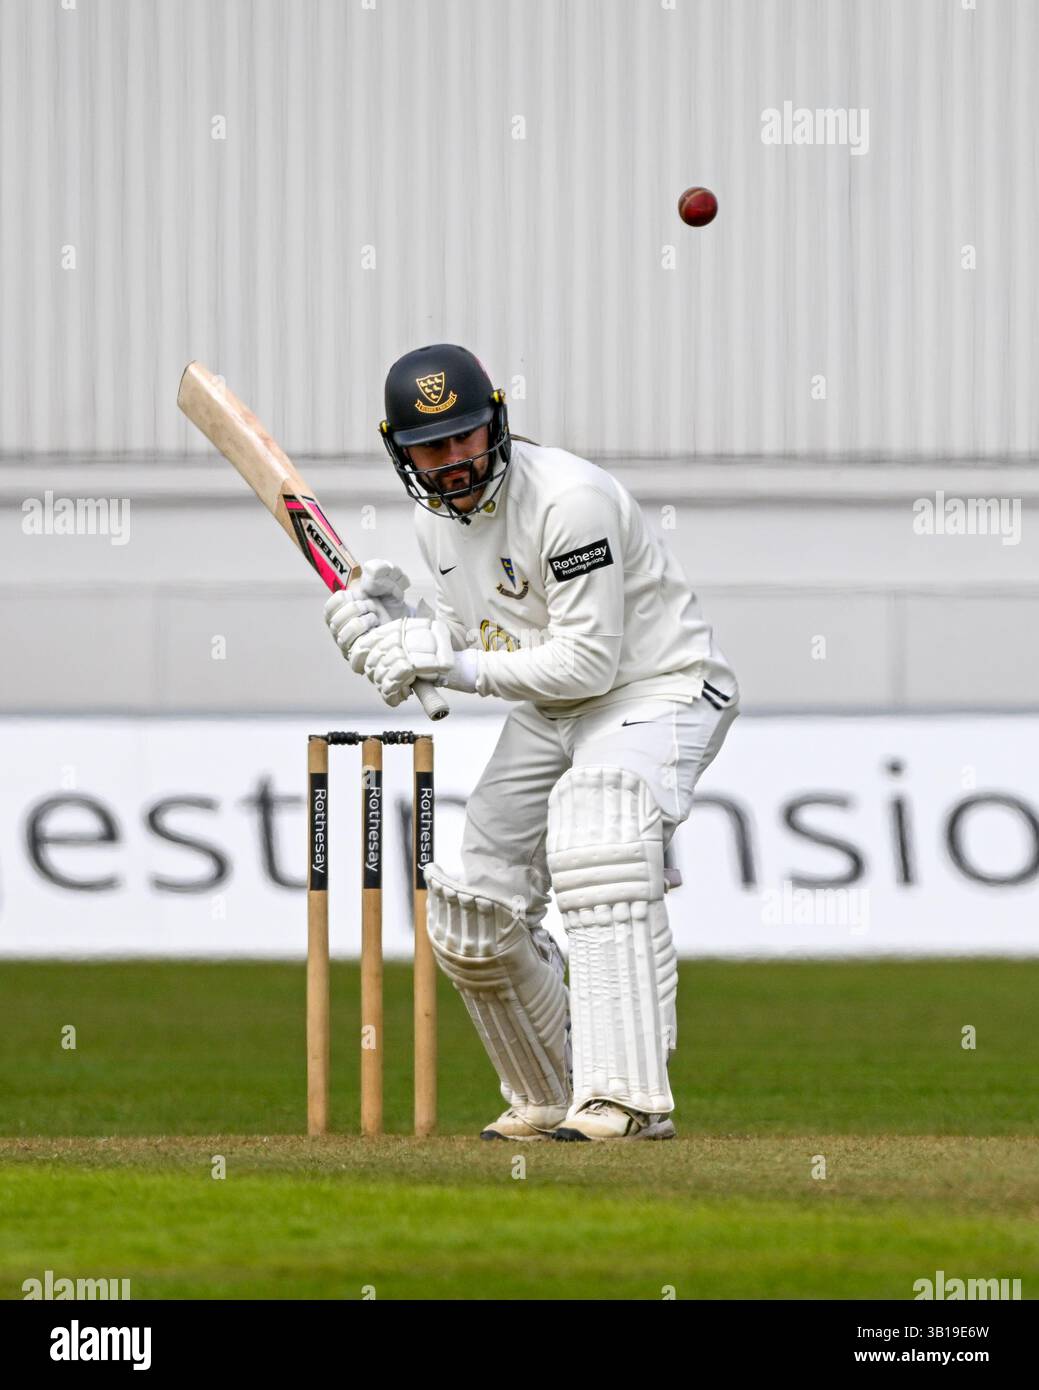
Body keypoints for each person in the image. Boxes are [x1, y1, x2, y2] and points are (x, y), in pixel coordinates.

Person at [324, 343, 738, 1141]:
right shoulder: (432, 522)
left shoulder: (568, 500)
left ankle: (627, 1099)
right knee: (474, 902)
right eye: (428, 448)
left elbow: (588, 658)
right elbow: (476, 633)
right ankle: (549, 1091)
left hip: (658, 687)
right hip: (556, 708)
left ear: (497, 424)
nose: (450, 462)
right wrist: (396, 624)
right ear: (399, 449)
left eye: (464, 438)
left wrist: (448, 662)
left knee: (600, 825)